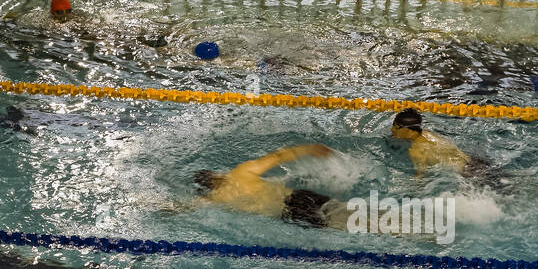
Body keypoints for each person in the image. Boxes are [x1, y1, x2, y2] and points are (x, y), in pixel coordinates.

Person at [189, 143, 352, 229]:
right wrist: (308, 149)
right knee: (346, 213)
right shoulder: (241, 172)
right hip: (297, 197)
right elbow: (277, 156)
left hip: (289, 214)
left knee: (346, 225)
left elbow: (187, 208)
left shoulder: (215, 200)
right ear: (216, 175)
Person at [389, 108, 484, 176]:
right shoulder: (428, 134)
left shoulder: (416, 150)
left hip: (468, 175)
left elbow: (421, 178)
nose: (392, 129)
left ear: (411, 132)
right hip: (476, 162)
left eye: (397, 127)